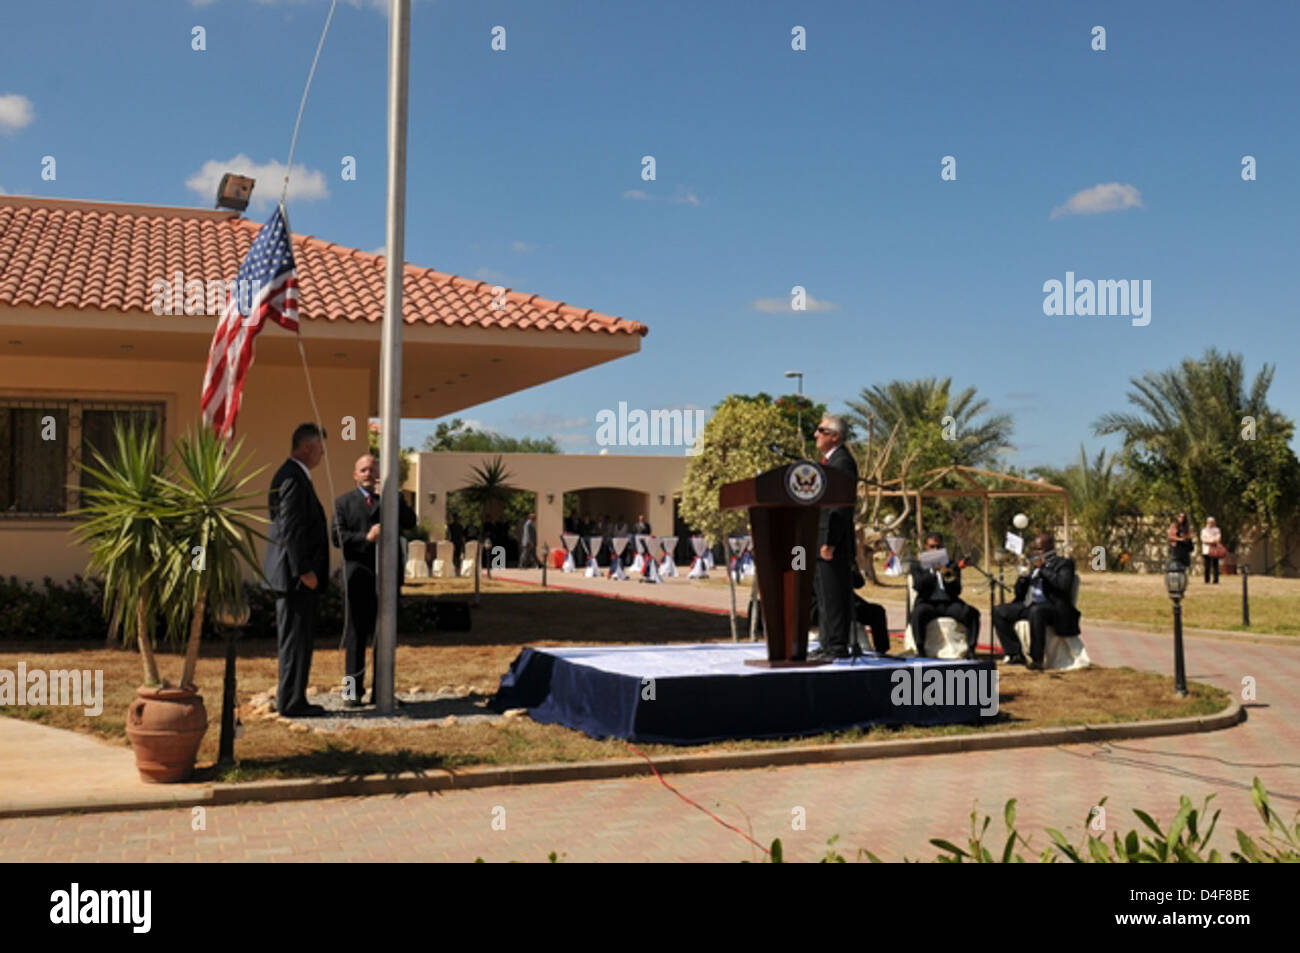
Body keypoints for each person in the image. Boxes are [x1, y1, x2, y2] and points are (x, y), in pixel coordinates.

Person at [331, 453, 416, 707]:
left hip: (387, 578)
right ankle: (351, 693)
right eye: (364, 470)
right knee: (355, 637)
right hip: (358, 577)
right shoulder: (343, 503)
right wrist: (365, 537)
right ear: (356, 475)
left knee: (384, 636)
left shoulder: (392, 500)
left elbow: (411, 522)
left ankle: (382, 691)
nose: (370, 474)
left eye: (374, 470)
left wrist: (395, 497)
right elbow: (337, 538)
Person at [264, 423, 331, 717]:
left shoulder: (294, 475)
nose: (322, 454)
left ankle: (295, 697)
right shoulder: (292, 477)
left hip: (296, 577)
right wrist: (304, 570)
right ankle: (291, 702)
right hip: (295, 578)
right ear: (306, 448)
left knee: (300, 640)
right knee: (294, 641)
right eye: (320, 447)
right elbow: (291, 529)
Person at [992, 532, 1081, 670]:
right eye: (1034, 549)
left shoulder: (1064, 563)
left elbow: (1063, 585)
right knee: (999, 611)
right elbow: (1019, 593)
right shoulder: (1031, 566)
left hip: (1054, 607)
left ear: (1050, 548)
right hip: (1030, 604)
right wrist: (1023, 578)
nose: (1035, 552)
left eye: (1039, 549)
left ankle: (1036, 659)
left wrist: (1043, 569)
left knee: (1037, 611)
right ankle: (1015, 654)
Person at [809, 415, 858, 661]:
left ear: (835, 436)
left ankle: (837, 645)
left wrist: (830, 541)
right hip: (821, 539)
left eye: (821, 430)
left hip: (833, 542)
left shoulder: (842, 463)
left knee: (834, 593)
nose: (816, 434)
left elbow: (839, 506)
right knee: (824, 595)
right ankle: (826, 642)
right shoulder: (831, 462)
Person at [908, 532, 980, 658]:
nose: (935, 550)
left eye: (938, 547)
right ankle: (920, 650)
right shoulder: (917, 565)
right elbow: (918, 586)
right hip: (928, 602)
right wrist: (932, 572)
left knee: (971, 612)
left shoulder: (951, 565)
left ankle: (971, 649)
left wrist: (947, 574)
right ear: (926, 547)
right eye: (932, 547)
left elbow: (957, 590)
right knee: (918, 614)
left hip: (949, 602)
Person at [1201, 516, 1222, 584]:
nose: (1211, 523)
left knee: (1215, 565)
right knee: (1207, 566)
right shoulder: (1204, 530)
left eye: (1212, 522)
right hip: (1206, 550)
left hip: (1215, 550)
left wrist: (1211, 541)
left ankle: (1216, 580)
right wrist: (1212, 541)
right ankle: (1207, 580)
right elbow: (1204, 540)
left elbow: (1218, 539)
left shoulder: (1217, 530)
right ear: (1207, 522)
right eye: (1210, 522)